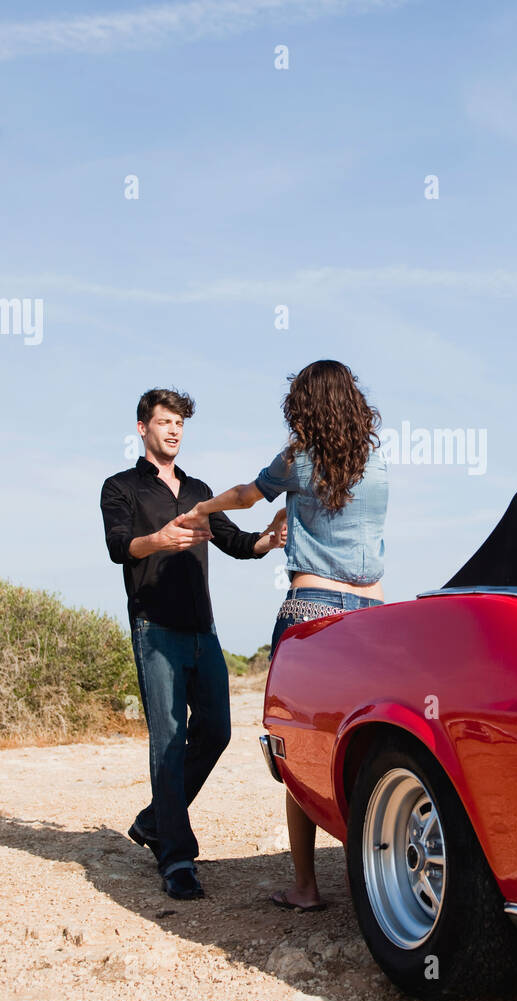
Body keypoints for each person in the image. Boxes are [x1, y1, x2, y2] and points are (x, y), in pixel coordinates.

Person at [178, 359, 387, 911]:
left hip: (312, 608)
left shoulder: (298, 459)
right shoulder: (379, 462)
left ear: (305, 405)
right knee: (358, 740)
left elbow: (249, 495)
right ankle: (371, 876)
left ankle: (306, 887)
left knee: (295, 743)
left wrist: (203, 507)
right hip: (372, 612)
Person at [100, 388, 287, 900]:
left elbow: (234, 542)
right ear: (143, 428)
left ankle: (154, 821)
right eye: (165, 422)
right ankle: (177, 859)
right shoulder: (121, 488)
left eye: (180, 422)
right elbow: (121, 547)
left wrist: (268, 541)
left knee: (218, 731)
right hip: (154, 629)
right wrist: (157, 540)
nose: (174, 430)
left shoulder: (199, 491)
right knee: (167, 739)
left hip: (203, 630)